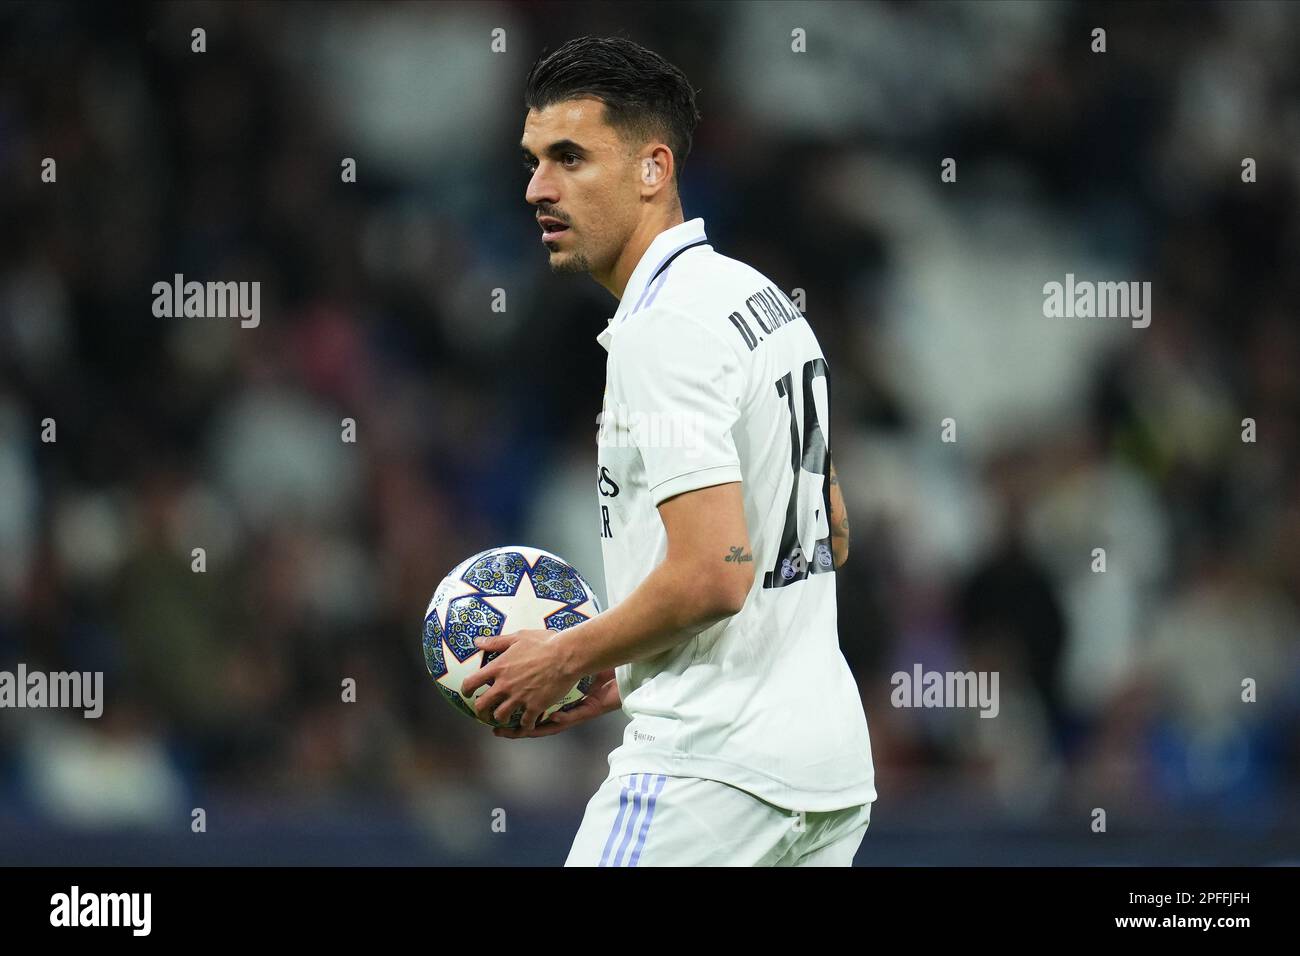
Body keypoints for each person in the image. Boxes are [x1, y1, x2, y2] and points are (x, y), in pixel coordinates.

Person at [461, 35, 875, 867]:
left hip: (708, 775)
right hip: (824, 777)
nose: (538, 187)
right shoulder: (760, 301)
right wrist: (639, 660)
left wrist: (567, 656)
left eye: (571, 158)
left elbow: (716, 571)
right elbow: (828, 529)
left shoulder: (664, 332)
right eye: (535, 160)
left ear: (653, 168)